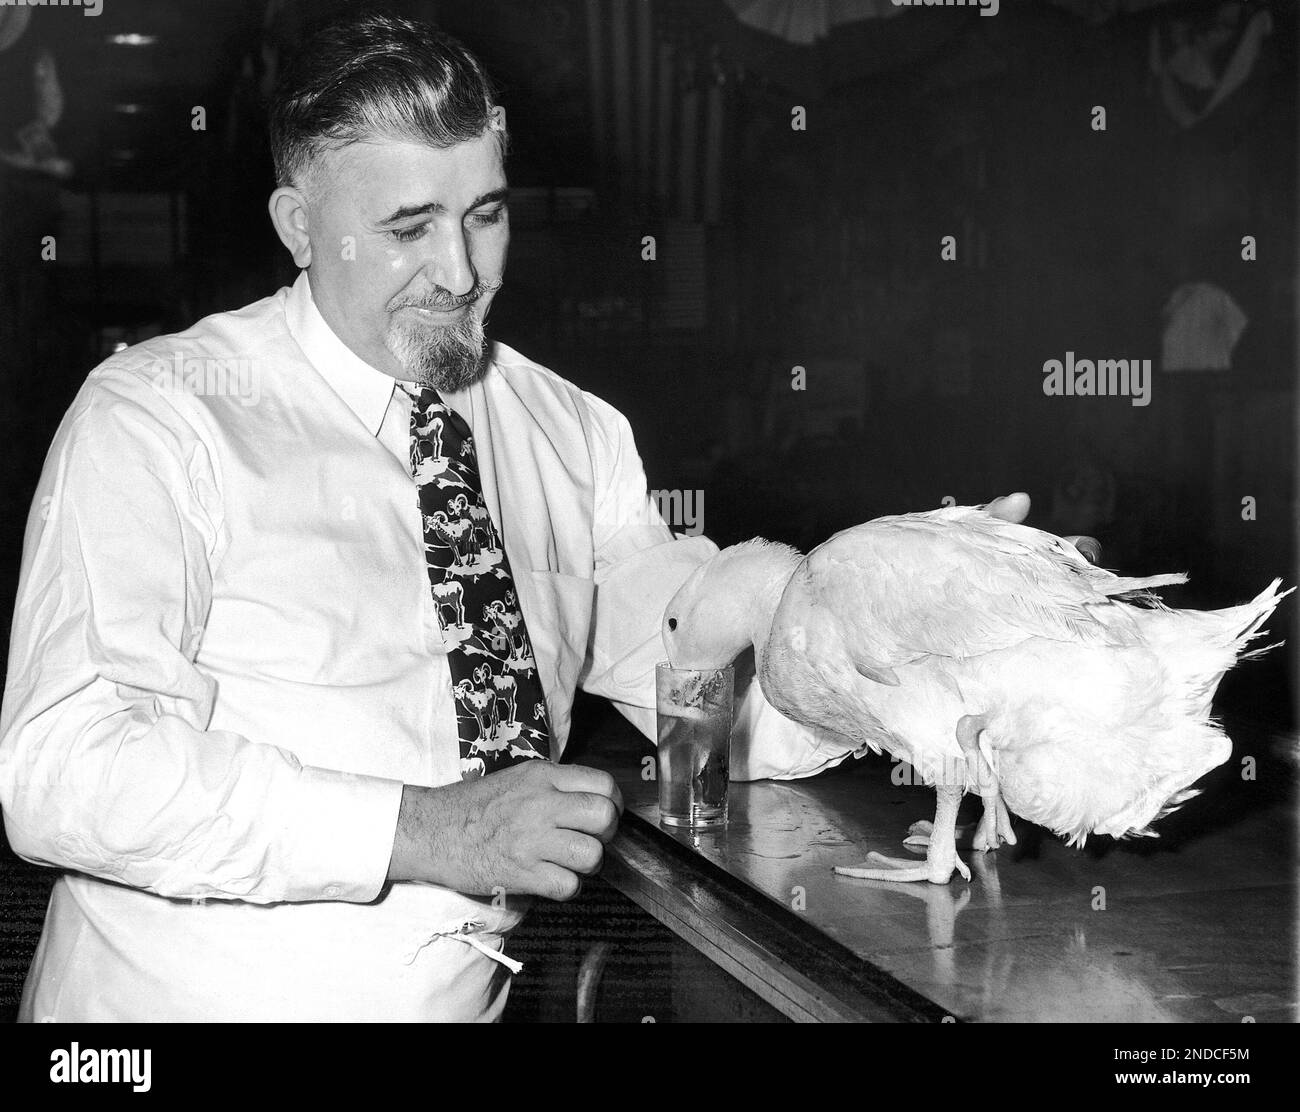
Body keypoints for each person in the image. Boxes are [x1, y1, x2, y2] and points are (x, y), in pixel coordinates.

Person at [0, 13, 1055, 1022]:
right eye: (408, 227)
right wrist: (417, 829)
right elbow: (63, 769)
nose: (460, 275)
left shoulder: (568, 430)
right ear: (299, 228)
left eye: (486, 214)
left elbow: (709, 697)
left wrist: (905, 632)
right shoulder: (159, 414)